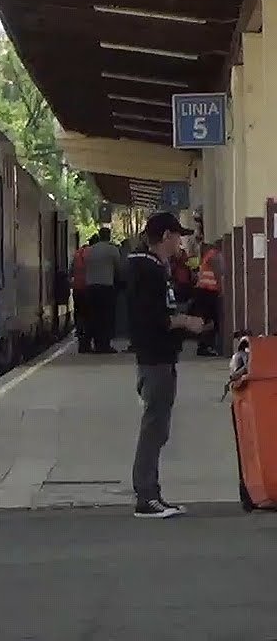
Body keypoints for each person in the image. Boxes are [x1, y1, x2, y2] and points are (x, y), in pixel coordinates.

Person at [127, 212, 205, 519]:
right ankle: (146, 496)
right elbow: (154, 317)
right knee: (154, 426)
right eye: (177, 236)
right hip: (155, 356)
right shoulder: (148, 271)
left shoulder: (154, 268)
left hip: (159, 355)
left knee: (158, 427)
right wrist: (186, 321)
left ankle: (151, 493)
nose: (180, 241)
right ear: (165, 237)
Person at [83, 227, 122, 354]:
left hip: (90, 287)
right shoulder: (112, 250)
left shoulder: (91, 250)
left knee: (93, 316)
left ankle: (91, 343)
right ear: (109, 236)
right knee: (106, 317)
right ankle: (104, 345)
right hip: (106, 287)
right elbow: (118, 267)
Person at [193, 240, 223, 357]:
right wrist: (221, 287)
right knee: (210, 320)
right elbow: (217, 272)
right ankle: (205, 346)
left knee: (207, 319)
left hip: (204, 290)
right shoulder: (213, 255)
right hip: (208, 291)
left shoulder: (208, 255)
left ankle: (204, 345)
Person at [70, 235, 97, 352]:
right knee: (89, 317)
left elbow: (70, 271)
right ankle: (87, 343)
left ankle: (81, 342)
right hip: (88, 288)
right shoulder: (92, 254)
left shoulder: (77, 254)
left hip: (77, 288)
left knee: (80, 315)